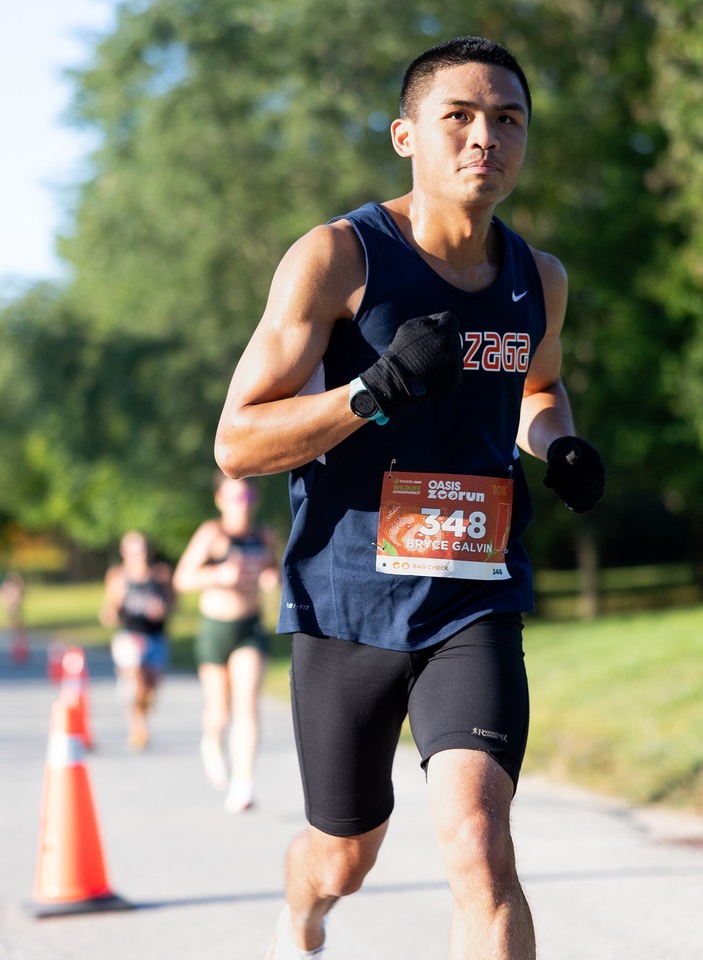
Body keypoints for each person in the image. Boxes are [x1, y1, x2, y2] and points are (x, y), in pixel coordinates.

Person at [212, 36, 606, 959]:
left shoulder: (536, 279)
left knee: (478, 839)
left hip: (473, 597)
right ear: (405, 135)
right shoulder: (339, 259)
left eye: (507, 120)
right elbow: (237, 441)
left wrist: (560, 445)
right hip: (346, 603)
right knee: (345, 856)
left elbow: (536, 388)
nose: (485, 139)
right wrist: (372, 390)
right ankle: (302, 909)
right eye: (458, 118)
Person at [173, 474, 281, 814]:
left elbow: (274, 573)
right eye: (234, 497)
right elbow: (182, 578)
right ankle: (211, 741)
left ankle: (243, 784)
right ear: (220, 500)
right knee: (219, 711)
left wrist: (271, 579)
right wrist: (217, 576)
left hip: (249, 628)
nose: (242, 504)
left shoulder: (264, 537)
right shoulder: (212, 535)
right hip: (216, 629)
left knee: (246, 705)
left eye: (247, 496)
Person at [99, 531, 174, 751]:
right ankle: (137, 727)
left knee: (150, 689)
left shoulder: (160, 575)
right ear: (124, 553)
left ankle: (140, 717)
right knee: (137, 681)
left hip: (156, 636)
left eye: (141, 549)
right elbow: (108, 609)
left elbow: (174, 603)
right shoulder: (118, 576)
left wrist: (163, 609)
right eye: (133, 550)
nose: (138, 555)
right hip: (129, 635)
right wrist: (112, 611)